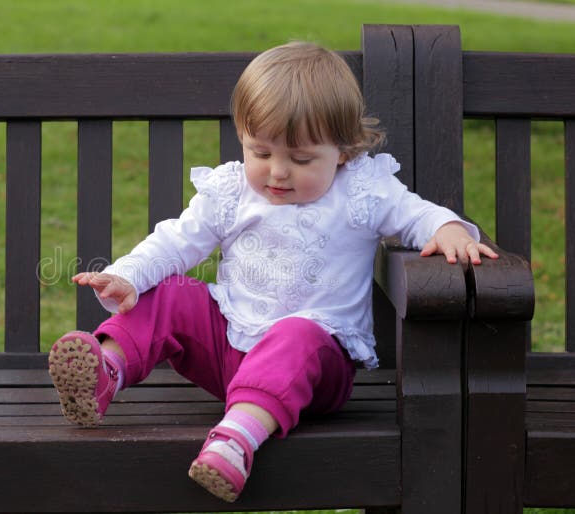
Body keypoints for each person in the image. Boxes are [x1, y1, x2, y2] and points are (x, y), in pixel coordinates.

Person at [47, 41, 498, 503]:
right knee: (172, 293)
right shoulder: (232, 192)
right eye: (260, 152)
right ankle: (106, 370)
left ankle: (237, 440)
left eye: (301, 160)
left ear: (342, 151)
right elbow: (176, 240)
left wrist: (446, 228)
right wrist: (128, 275)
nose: (277, 172)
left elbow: (414, 212)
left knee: (296, 334)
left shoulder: (362, 190)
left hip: (315, 365)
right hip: (230, 347)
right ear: (242, 135)